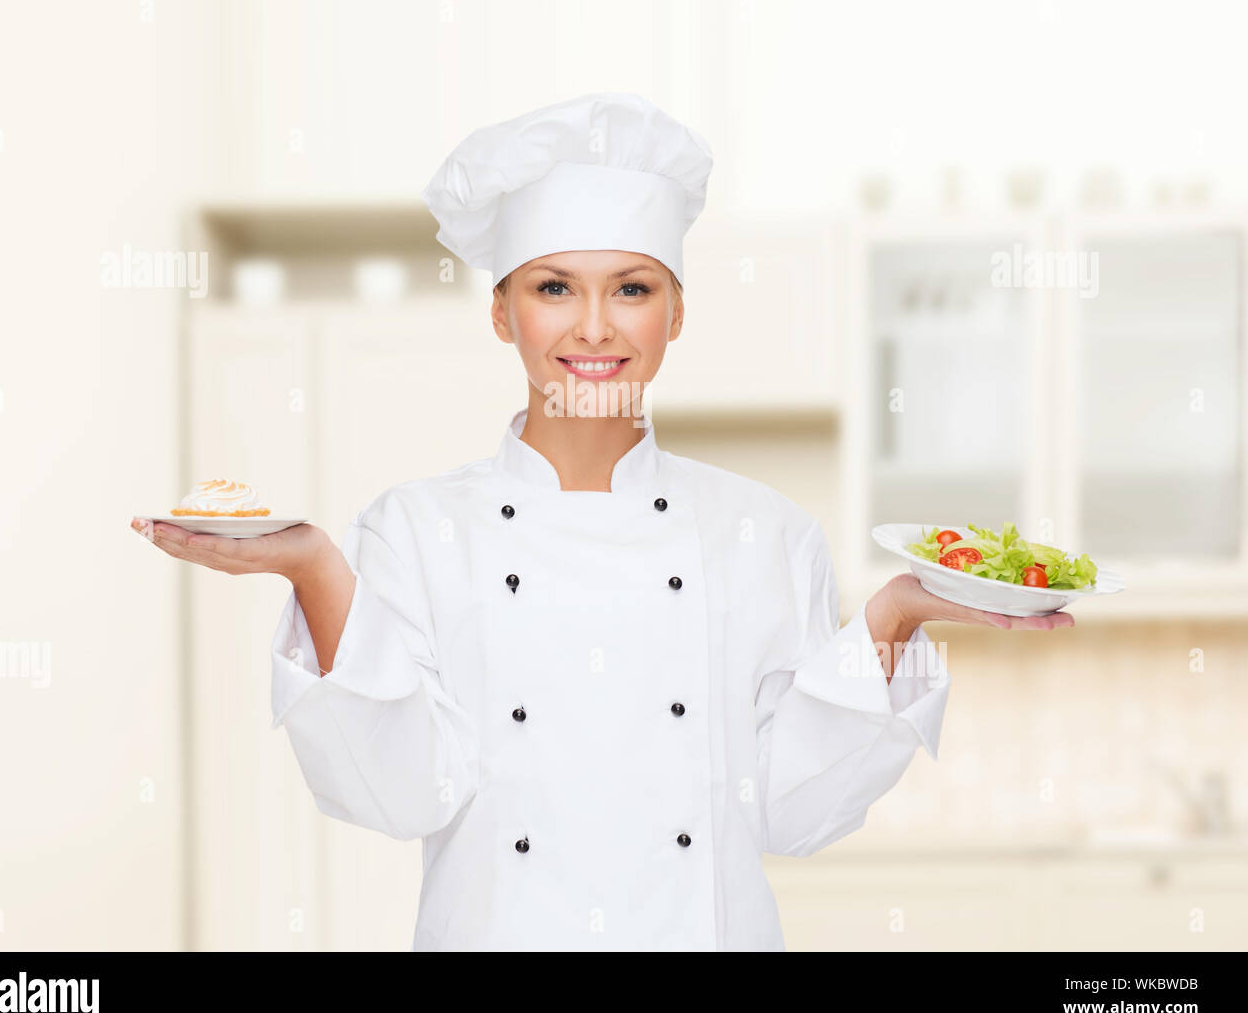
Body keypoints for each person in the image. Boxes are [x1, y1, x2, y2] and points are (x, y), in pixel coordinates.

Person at [130, 92, 1073, 951]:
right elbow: (400, 790)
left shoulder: (765, 533)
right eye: (552, 288)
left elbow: (792, 811)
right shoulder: (416, 530)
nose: (593, 328)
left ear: (675, 314)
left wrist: (892, 619)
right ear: (501, 314)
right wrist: (317, 572)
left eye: (631, 288)